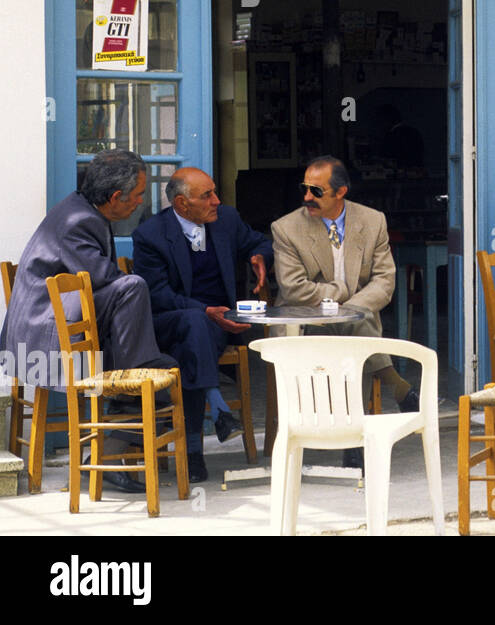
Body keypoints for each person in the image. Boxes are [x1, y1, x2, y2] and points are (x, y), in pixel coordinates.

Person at [0, 149, 176, 494]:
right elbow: (103, 277)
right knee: (134, 289)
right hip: (44, 336)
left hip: (46, 325)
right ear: (114, 197)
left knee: (163, 359)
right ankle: (128, 393)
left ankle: (130, 396)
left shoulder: (80, 209)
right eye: (138, 195)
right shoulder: (79, 220)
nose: (141, 202)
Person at [272, 156, 415, 465]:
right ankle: (396, 389)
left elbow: (385, 281)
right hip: (305, 321)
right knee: (357, 329)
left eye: (316, 190)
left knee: (354, 327)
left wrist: (349, 308)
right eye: (305, 188)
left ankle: (352, 438)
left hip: (354, 317)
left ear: (341, 192)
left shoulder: (373, 220)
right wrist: (342, 294)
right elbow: (294, 288)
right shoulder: (285, 228)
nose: (307, 197)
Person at [131, 168, 272, 482]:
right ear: (182, 204)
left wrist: (259, 258)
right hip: (171, 322)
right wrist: (204, 310)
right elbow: (157, 294)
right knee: (194, 325)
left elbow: (259, 242)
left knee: (194, 346)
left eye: (214, 192)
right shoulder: (151, 234)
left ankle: (193, 451)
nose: (216, 201)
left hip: (217, 326)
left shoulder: (227, 219)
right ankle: (217, 408)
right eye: (207, 195)